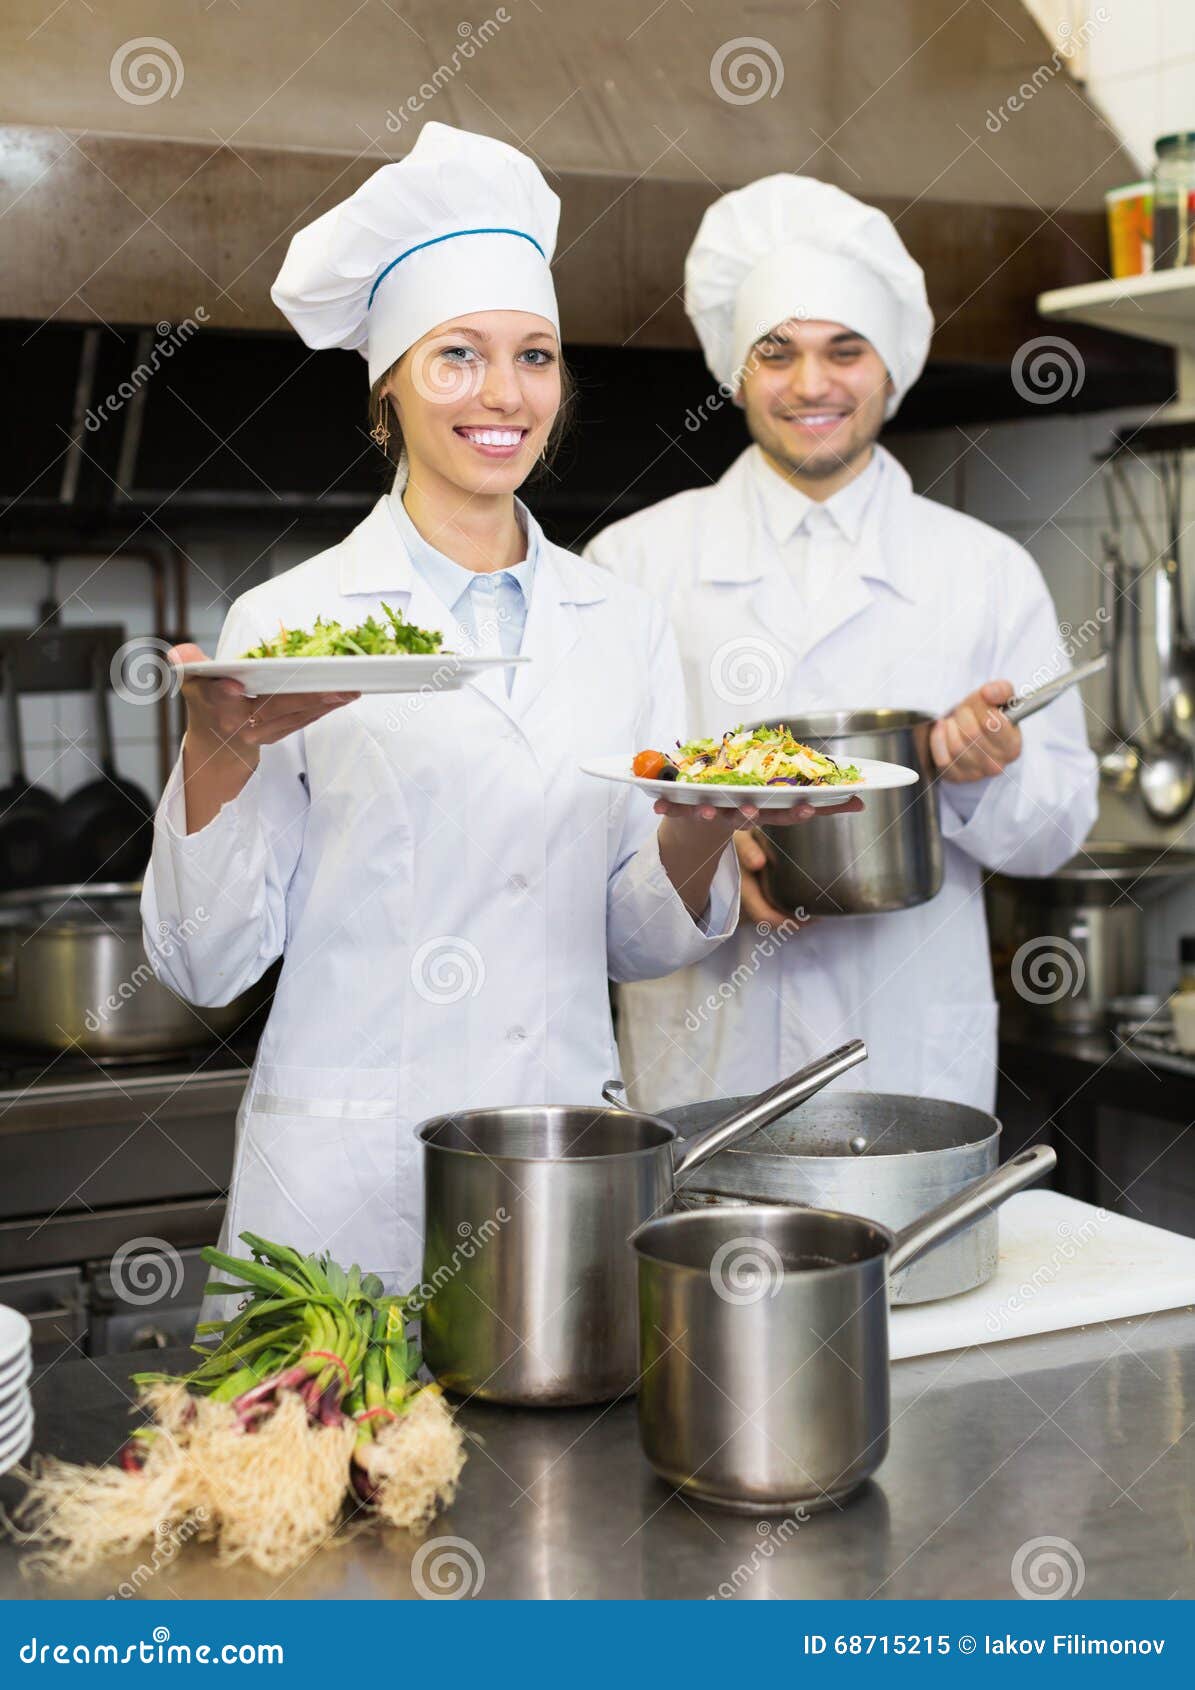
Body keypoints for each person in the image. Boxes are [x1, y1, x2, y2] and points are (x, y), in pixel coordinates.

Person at [141, 126, 848, 1299]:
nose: (504, 395)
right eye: (457, 355)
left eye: (534, 356)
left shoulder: (619, 621)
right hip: (346, 1188)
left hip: (556, 1164)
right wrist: (215, 751)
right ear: (389, 381)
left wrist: (695, 829)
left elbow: (638, 940)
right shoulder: (287, 622)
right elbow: (206, 965)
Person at [585, 173, 1098, 1115]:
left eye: (844, 351)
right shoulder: (632, 562)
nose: (811, 384)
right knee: (704, 1211)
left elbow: (1056, 836)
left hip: (906, 1054)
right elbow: (586, 812)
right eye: (775, 352)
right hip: (707, 1055)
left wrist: (981, 777)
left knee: (906, 1211)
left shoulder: (984, 571)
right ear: (736, 372)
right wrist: (703, 863)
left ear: (890, 367)